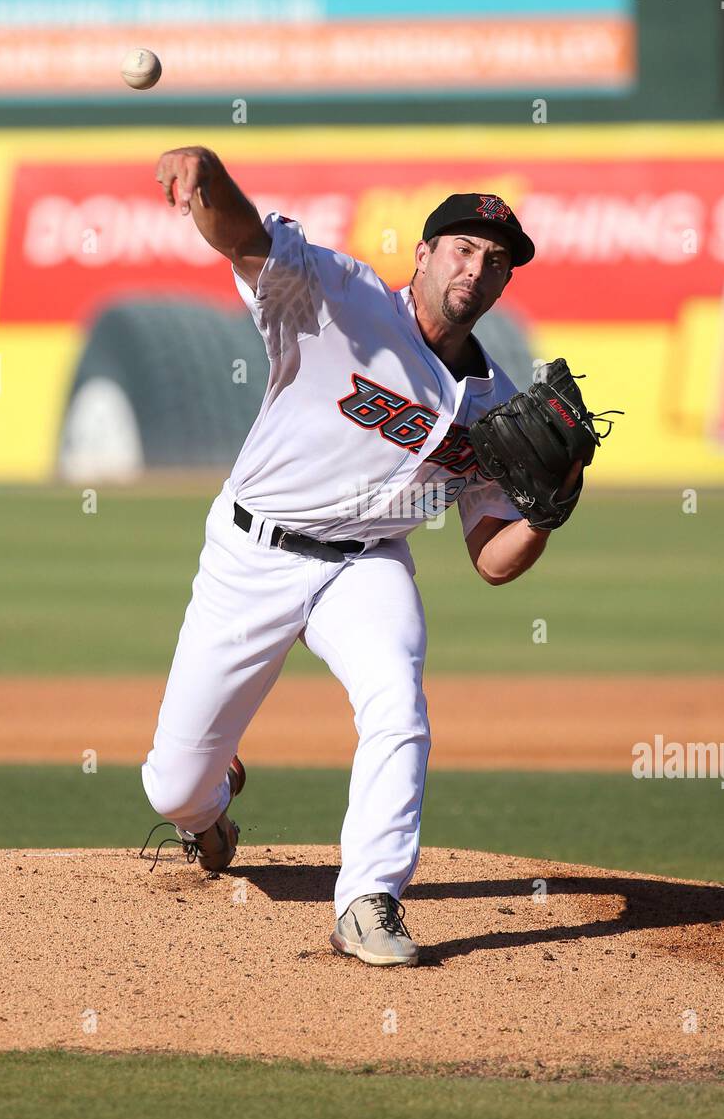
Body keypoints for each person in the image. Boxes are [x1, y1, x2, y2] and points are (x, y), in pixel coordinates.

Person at [141, 146, 579, 968]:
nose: (478, 268)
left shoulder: (493, 409)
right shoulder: (339, 298)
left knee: (397, 703)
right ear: (423, 253)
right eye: (463, 247)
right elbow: (244, 241)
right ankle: (212, 804)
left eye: (496, 261)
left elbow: (491, 558)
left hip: (367, 565)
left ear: (504, 283)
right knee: (171, 789)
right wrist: (208, 171)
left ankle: (368, 901)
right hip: (253, 550)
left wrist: (549, 510)